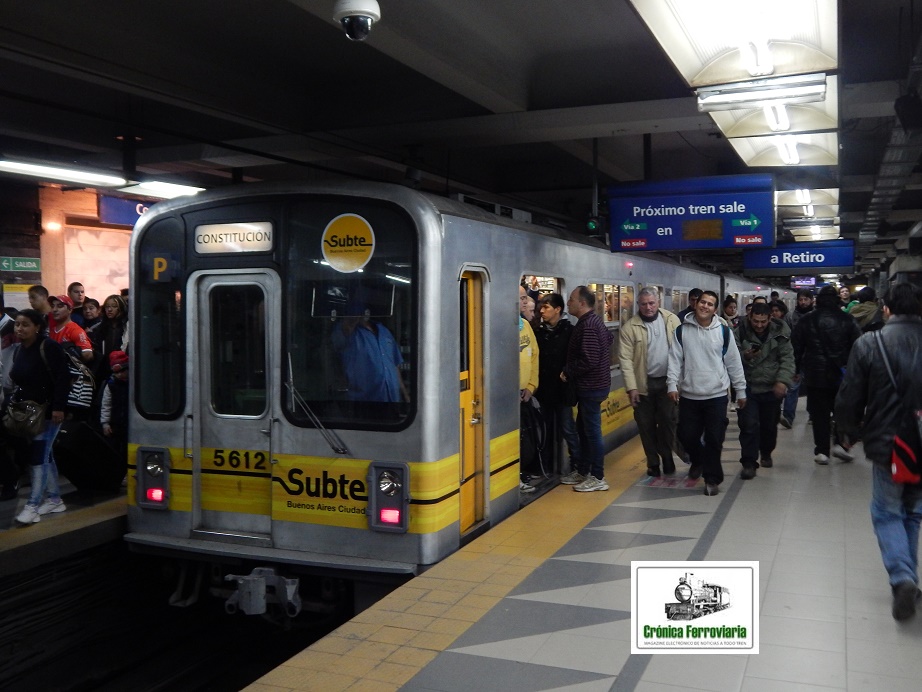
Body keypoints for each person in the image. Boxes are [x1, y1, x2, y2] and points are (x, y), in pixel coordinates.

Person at [835, 283, 922, 621]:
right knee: (913, 512)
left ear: (886, 310)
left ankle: (902, 578)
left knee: (887, 512)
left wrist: (847, 430)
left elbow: (852, 393)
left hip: (891, 443)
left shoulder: (870, 343)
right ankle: (908, 578)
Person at [667, 290, 747, 496]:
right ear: (696, 304)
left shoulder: (723, 331)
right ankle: (699, 459)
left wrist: (741, 390)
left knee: (714, 438)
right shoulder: (681, 331)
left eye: (710, 304)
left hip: (716, 395)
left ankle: (712, 479)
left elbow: (733, 362)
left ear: (715, 309)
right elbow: (675, 360)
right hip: (690, 395)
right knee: (686, 436)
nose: (705, 306)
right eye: (703, 302)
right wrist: (672, 384)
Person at [11, 309, 71, 525]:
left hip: (48, 412)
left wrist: (58, 407)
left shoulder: (49, 347)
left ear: (37, 327)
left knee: (38, 456)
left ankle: (33, 505)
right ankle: (55, 499)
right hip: (30, 413)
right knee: (46, 454)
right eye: (17, 324)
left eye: (25, 324)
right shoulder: (20, 350)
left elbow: (63, 378)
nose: (20, 328)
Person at [791, 285, 861, 464]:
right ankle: (840, 444)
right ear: (837, 300)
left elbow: (796, 348)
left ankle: (822, 451)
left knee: (819, 414)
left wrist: (796, 370)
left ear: (818, 301)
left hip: (815, 374)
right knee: (842, 411)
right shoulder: (848, 319)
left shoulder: (806, 320)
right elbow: (859, 347)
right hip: (841, 375)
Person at [619, 287, 681, 477]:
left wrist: (679, 382)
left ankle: (667, 457)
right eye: (644, 304)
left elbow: (681, 351)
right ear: (638, 305)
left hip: (667, 383)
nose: (648, 307)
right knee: (645, 426)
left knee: (667, 423)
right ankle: (653, 462)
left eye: (651, 303)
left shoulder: (672, 321)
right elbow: (625, 360)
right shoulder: (630, 327)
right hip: (643, 385)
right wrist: (632, 388)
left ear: (658, 302)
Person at [733, 302, 795, 479]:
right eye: (755, 321)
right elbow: (732, 357)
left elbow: (787, 359)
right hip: (749, 387)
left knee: (769, 427)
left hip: (771, 388)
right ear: (750, 318)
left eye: (763, 322)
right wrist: (746, 356)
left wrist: (782, 381)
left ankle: (766, 452)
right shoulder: (740, 332)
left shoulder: (781, 334)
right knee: (749, 425)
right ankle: (749, 462)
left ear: (770, 318)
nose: (759, 325)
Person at [563, 286, 613, 492]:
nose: (568, 303)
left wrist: (568, 371)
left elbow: (589, 359)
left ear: (582, 303)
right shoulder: (591, 322)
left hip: (591, 387)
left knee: (591, 432)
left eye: (572, 299)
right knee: (583, 430)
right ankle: (583, 470)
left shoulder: (589, 325)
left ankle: (598, 476)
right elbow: (609, 340)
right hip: (591, 386)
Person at [533, 293, 581, 483]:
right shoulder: (539, 332)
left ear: (558, 309)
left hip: (562, 390)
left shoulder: (570, 331)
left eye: (546, 307)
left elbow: (577, 357)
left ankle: (577, 465)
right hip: (544, 391)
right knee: (545, 429)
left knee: (568, 428)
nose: (542, 311)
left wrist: (567, 372)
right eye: (541, 308)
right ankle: (545, 464)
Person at [332, 307, 408, 403]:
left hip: (392, 398)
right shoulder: (348, 333)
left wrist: (405, 394)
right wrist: (351, 321)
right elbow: (339, 341)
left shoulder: (384, 331)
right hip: (365, 401)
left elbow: (395, 364)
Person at [781, 289, 816, 428]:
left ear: (811, 300)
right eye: (800, 299)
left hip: (812, 358)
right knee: (792, 387)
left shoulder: (816, 316)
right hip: (795, 356)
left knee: (813, 388)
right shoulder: (790, 317)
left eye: (805, 299)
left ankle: (813, 415)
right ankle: (788, 417)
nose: (803, 302)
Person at [517, 289, 540, 492]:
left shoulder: (524, 326)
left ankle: (522, 473)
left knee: (525, 438)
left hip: (524, 394)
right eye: (522, 298)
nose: (526, 302)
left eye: (525, 298)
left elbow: (534, 356)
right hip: (507, 396)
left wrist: (531, 386)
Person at [100, 350, 129, 470]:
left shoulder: (135, 384)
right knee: (116, 450)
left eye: (122, 371)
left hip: (130, 424)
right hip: (116, 423)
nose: (120, 375)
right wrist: (105, 423)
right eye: (116, 372)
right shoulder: (111, 385)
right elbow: (106, 405)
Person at [91, 294, 129, 383]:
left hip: (121, 367)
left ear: (121, 308)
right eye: (107, 306)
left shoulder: (127, 326)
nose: (109, 309)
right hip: (103, 368)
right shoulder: (100, 328)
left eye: (114, 306)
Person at [48, 295, 93, 363]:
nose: (54, 309)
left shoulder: (76, 330)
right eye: (52, 306)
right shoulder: (51, 330)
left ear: (70, 309)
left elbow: (88, 355)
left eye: (60, 306)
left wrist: (70, 355)